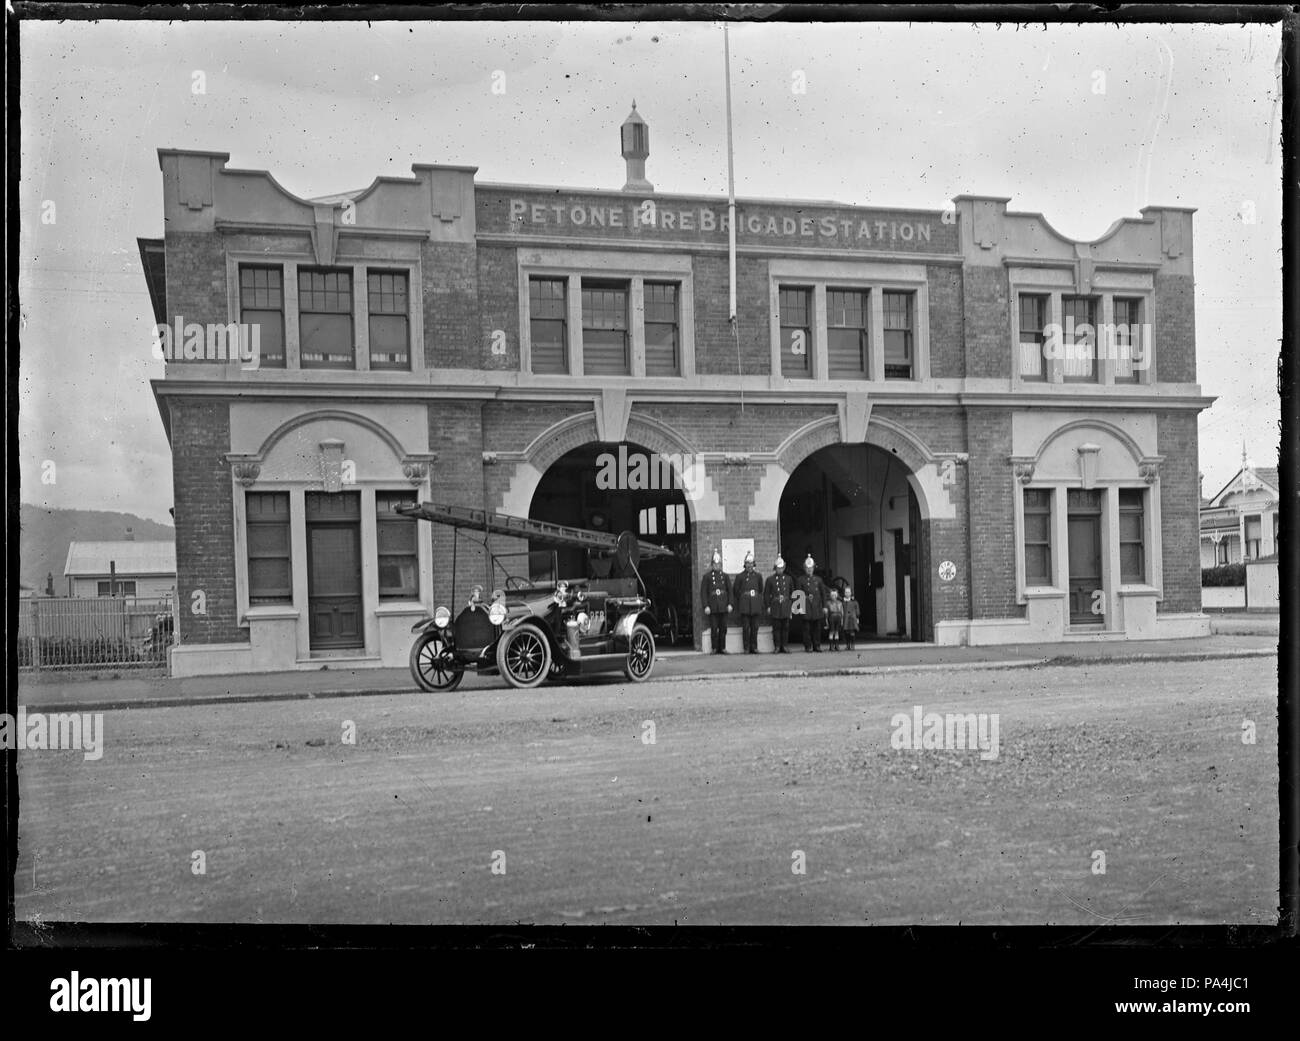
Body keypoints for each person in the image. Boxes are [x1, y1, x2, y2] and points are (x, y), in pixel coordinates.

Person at [732, 551, 764, 654]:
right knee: (746, 628)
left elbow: (760, 589)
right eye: (747, 563)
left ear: (754, 564)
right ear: (744, 564)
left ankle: (754, 647)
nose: (749, 565)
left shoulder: (758, 576)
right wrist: (743, 600)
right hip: (745, 606)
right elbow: (736, 591)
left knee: (755, 628)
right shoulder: (740, 577)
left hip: (755, 605)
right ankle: (746, 647)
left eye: (751, 563)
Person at [700, 550, 732, 654]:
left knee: (723, 628)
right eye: (715, 564)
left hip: (723, 605)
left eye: (718, 564)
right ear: (712, 564)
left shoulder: (725, 576)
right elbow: (703, 592)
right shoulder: (707, 577)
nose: (717, 565)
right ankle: (714, 648)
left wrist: (730, 604)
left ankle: (722, 647)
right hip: (713, 606)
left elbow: (730, 591)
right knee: (714, 628)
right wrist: (706, 606)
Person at [795, 555, 827, 652]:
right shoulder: (800, 580)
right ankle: (808, 646)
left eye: (811, 568)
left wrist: (824, 606)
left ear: (813, 568)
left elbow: (823, 594)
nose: (809, 570)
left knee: (817, 628)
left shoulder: (819, 580)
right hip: (806, 607)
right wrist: (799, 608)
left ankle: (817, 645)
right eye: (807, 568)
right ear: (805, 568)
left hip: (816, 607)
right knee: (806, 629)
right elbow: (798, 594)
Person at [764, 555, 794, 654]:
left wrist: (791, 606)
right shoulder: (770, 579)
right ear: (775, 568)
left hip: (785, 605)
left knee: (785, 627)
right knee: (776, 627)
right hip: (775, 605)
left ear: (783, 568)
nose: (779, 570)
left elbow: (792, 593)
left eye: (781, 568)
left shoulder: (789, 579)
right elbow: (767, 594)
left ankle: (784, 646)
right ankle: (777, 646)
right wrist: (768, 606)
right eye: (778, 568)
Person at [842, 586, 860, 651]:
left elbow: (857, 610)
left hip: (852, 618)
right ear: (844, 593)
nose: (847, 593)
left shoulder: (854, 601)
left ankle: (852, 645)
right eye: (846, 592)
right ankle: (847, 645)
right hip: (845, 618)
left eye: (848, 592)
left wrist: (857, 617)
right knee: (846, 632)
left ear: (850, 593)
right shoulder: (842, 601)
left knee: (852, 632)